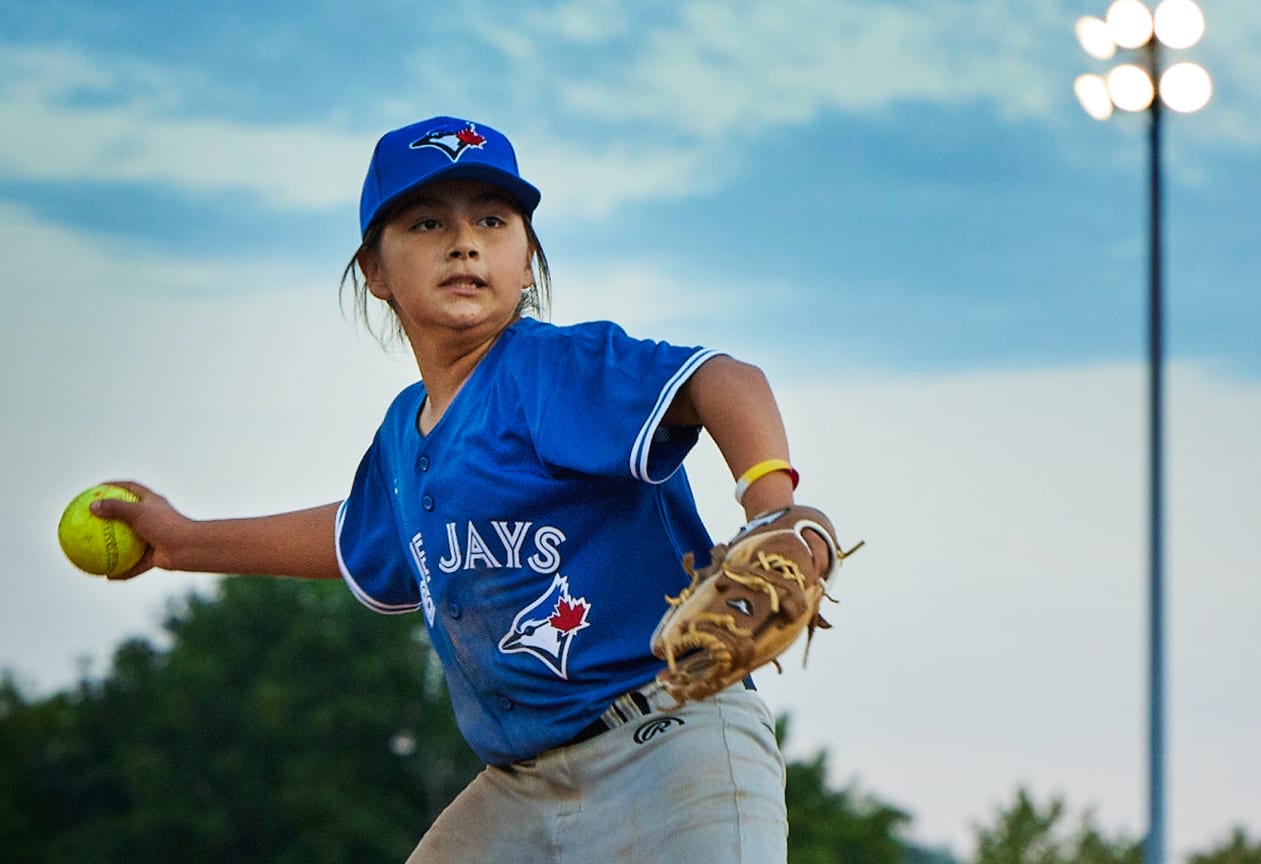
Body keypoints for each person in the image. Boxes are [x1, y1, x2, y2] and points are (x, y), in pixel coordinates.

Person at [92, 115, 835, 863]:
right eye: (426, 222)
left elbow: (721, 379)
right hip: (521, 787)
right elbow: (356, 538)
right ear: (375, 272)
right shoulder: (403, 435)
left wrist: (768, 506)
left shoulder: (551, 372)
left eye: (492, 219)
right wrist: (184, 543)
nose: (464, 242)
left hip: (669, 747)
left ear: (527, 261)